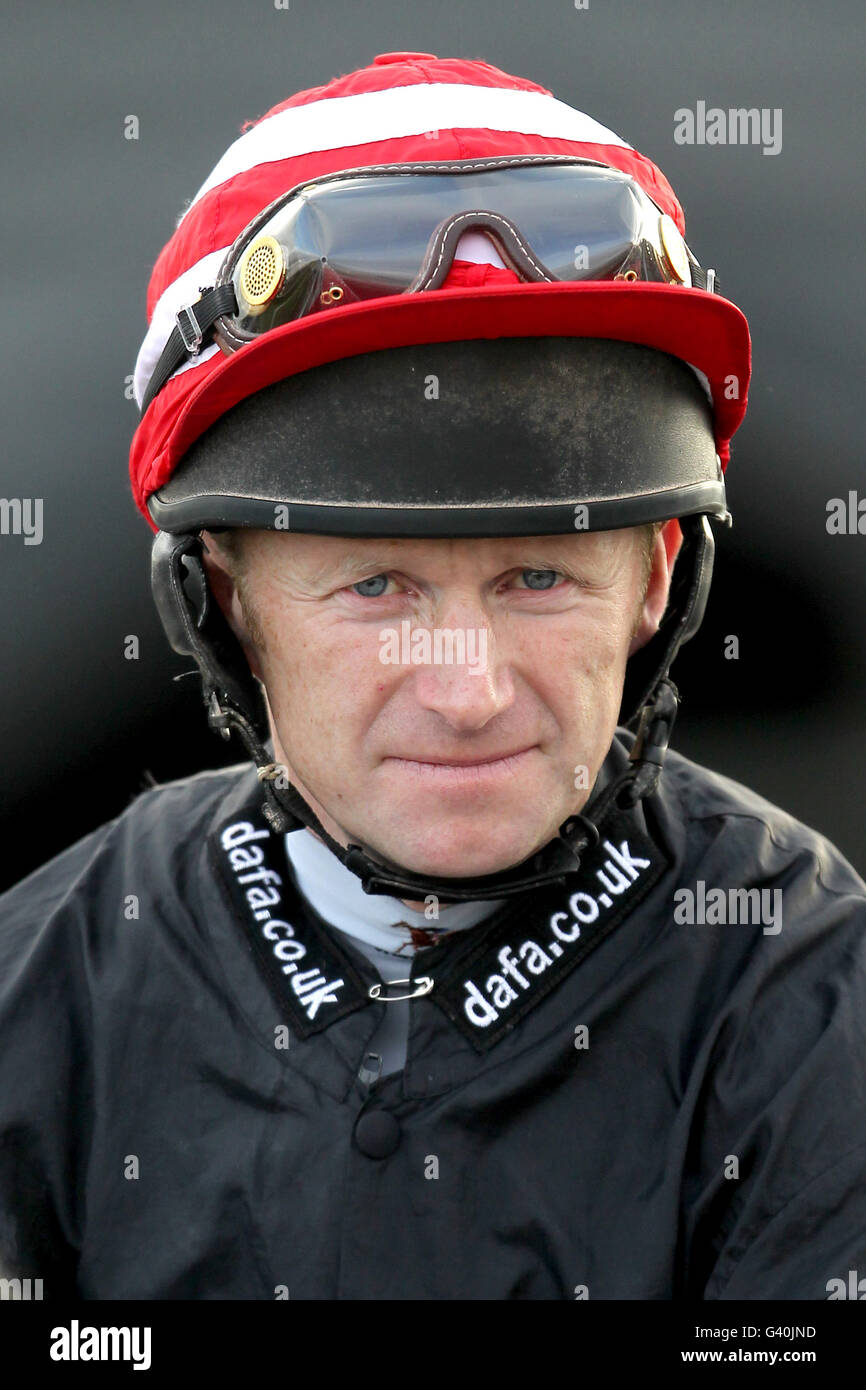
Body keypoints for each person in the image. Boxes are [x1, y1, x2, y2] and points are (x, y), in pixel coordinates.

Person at [1, 51, 864, 1303]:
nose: (465, 693)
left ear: (657, 580)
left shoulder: (810, 1005)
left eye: (536, 579)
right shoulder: (41, 991)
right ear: (228, 604)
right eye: (375, 587)